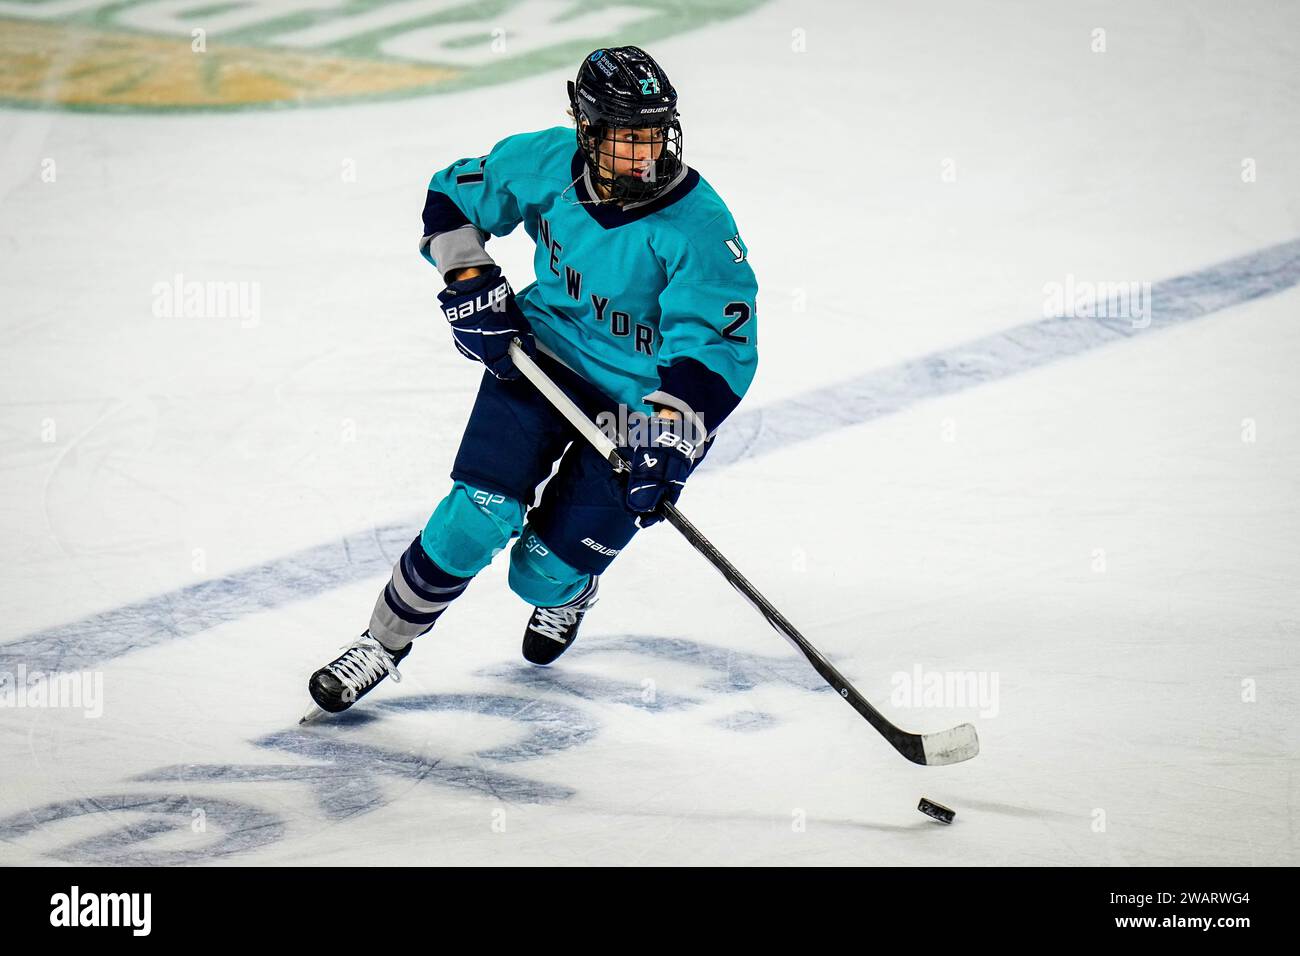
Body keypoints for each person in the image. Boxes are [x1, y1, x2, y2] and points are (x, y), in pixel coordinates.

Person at [307, 45, 758, 714]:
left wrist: (671, 435)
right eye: (626, 139)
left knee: (538, 575)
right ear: (588, 129)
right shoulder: (546, 162)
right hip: (540, 358)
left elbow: (717, 350)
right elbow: (452, 197)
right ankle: (381, 644)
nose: (644, 157)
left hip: (641, 406)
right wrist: (469, 280)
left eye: (654, 137)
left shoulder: (698, 225)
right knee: (476, 514)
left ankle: (569, 592)